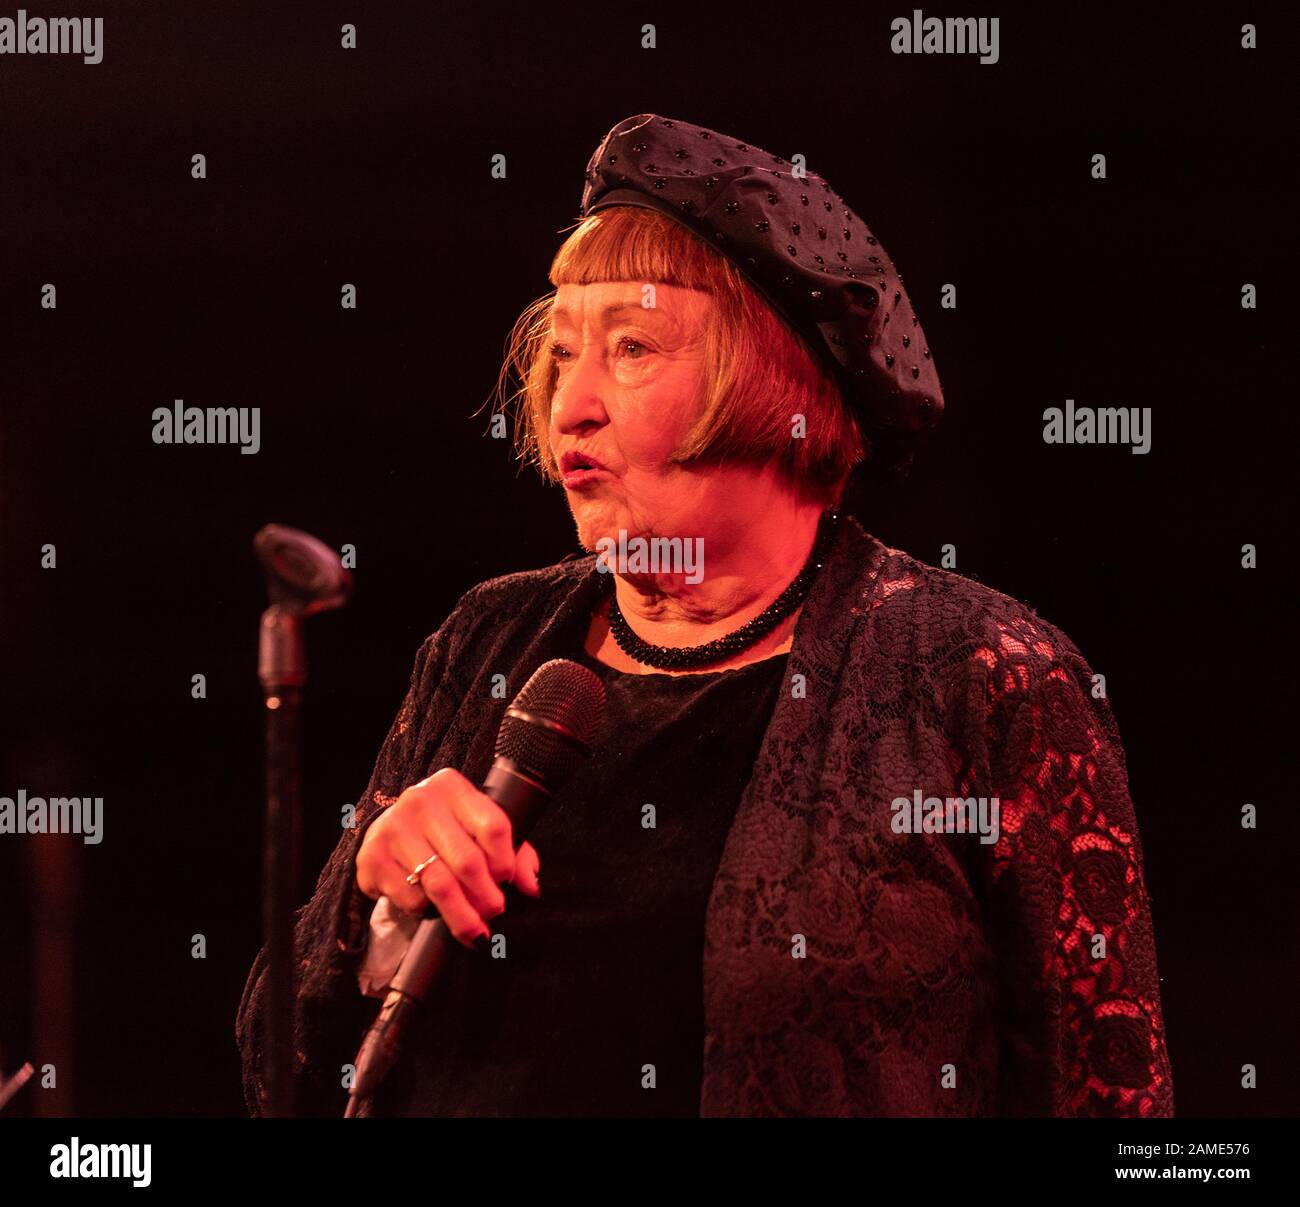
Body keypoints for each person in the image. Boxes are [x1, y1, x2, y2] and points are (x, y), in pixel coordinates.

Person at [236, 113, 1174, 1117]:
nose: (569, 407)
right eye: (561, 356)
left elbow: (1110, 1097)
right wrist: (372, 905)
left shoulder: (981, 674)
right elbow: (271, 1065)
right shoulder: (487, 640)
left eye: (630, 347)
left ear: (772, 381)